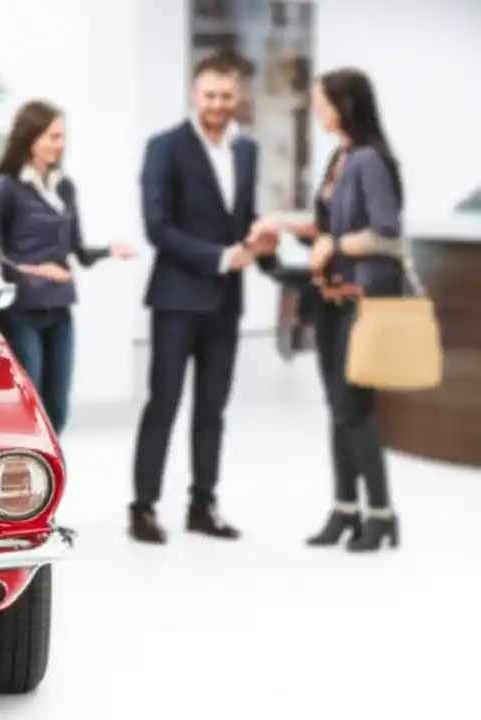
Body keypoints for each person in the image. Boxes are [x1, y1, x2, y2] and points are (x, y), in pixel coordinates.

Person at [129, 51, 280, 544]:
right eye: (209, 95)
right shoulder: (165, 148)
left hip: (225, 302)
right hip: (176, 300)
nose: (218, 104)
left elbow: (242, 217)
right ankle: (144, 507)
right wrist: (219, 257)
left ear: (239, 97)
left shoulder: (246, 150)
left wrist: (259, 243)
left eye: (226, 96)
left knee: (212, 410)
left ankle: (202, 505)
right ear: (195, 96)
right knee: (164, 404)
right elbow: (158, 227)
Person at [253, 68, 406, 552]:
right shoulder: (340, 158)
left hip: (362, 301)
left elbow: (387, 230)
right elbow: (322, 227)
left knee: (353, 408)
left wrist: (335, 243)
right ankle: (345, 510)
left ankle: (382, 516)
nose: (317, 110)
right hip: (333, 299)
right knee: (339, 409)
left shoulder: (369, 161)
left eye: (323, 102)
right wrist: (281, 224)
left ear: (347, 105)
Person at [0, 100, 137, 435]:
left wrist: (110, 250)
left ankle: (48, 478)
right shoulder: (5, 189)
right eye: (52, 136)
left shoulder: (65, 187)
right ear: (30, 139)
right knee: (27, 403)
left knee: (58, 410)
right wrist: (36, 270)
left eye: (62, 137)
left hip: (60, 310)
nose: (59, 144)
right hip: (21, 311)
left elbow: (77, 252)